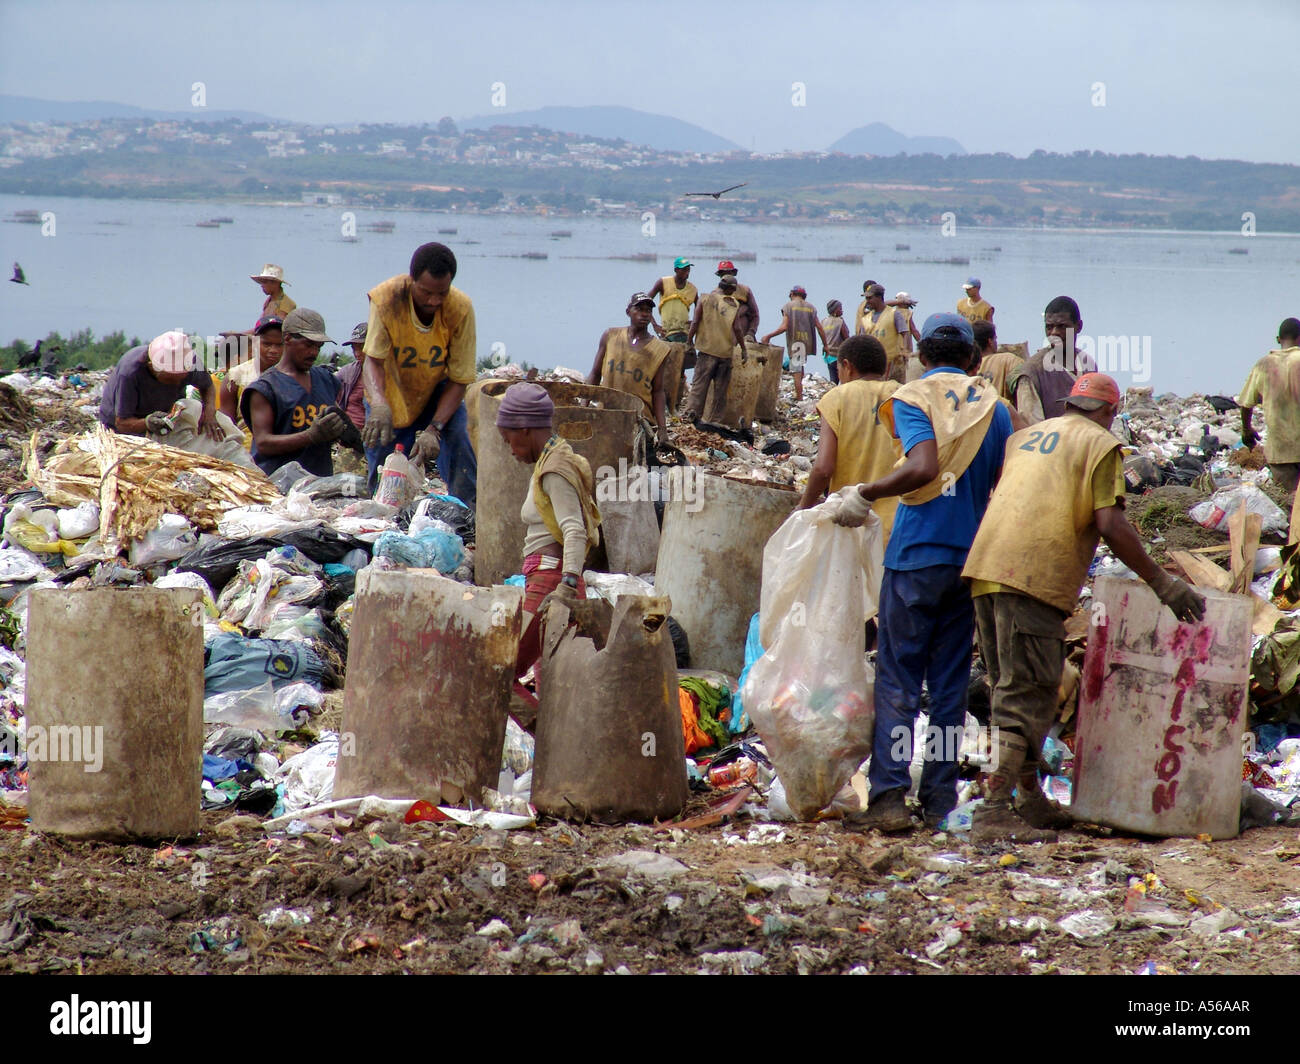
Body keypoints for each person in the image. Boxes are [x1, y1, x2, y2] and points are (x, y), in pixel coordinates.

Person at [963, 373, 1206, 842]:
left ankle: (1029, 799)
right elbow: (1110, 524)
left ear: (1072, 404)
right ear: (1110, 412)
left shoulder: (1025, 437)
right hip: (1031, 575)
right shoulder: (1101, 446)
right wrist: (1162, 583)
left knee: (1012, 687)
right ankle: (992, 810)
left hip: (986, 568)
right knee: (1027, 692)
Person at [830, 313, 1014, 833]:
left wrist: (865, 492)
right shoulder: (995, 409)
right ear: (974, 360)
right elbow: (1004, 483)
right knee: (950, 687)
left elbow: (924, 466)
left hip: (914, 557)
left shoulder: (914, 398)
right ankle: (937, 801)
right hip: (967, 562)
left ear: (923, 356)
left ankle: (888, 798)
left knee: (898, 682)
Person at [496, 383, 601, 714]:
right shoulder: (552, 459)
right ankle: (561, 754)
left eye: (507, 439)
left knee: (500, 676)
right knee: (556, 686)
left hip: (551, 583)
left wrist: (567, 584)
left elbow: (574, 529)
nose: (509, 449)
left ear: (524, 430)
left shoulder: (554, 469)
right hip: (551, 581)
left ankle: (549, 742)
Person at [359, 242, 478, 507]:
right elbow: (373, 361)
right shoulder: (387, 298)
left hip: (438, 390)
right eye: (426, 292)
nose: (434, 300)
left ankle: (465, 513)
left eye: (441, 293)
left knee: (459, 436)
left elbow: (460, 378)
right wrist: (378, 404)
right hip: (391, 389)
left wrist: (435, 428)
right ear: (412, 280)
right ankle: (379, 517)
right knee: (383, 461)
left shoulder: (460, 308)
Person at [799, 335, 902, 541]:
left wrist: (803, 508)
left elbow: (823, 469)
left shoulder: (838, 397)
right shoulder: (903, 394)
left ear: (847, 366)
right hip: (897, 525)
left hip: (850, 523)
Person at [241, 309, 345, 478]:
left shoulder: (326, 380)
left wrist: (343, 430)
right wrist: (310, 436)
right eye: (308, 345)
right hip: (277, 485)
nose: (314, 352)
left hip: (319, 481)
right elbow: (263, 443)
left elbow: (337, 417)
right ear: (287, 339)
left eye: (319, 347)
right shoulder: (265, 388)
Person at [98, 330, 221, 440]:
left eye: (180, 380)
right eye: (170, 380)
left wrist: (209, 411)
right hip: (119, 430)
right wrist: (147, 423)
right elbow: (122, 423)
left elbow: (207, 386)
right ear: (153, 367)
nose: (177, 385)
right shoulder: (131, 372)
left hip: (163, 420)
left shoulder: (188, 362)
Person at [588, 292, 673, 443]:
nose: (644, 314)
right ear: (628, 312)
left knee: (632, 463)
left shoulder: (659, 349)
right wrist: (583, 408)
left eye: (648, 310)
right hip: (607, 414)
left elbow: (658, 390)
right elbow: (595, 374)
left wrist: (662, 429)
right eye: (639, 309)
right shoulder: (611, 336)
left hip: (639, 419)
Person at [1011, 295, 1094, 425]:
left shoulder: (1088, 365)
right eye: (1049, 327)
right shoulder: (1032, 373)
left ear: (1078, 326)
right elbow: (1031, 428)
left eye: (1062, 326)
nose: (1054, 333)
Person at [1239, 318, 1300, 493]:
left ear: (1278, 339)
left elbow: (1246, 404)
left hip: (1280, 452)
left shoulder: (1263, 365)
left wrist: (1246, 429)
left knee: (1291, 505)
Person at [685, 273, 746, 424]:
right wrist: (744, 348)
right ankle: (715, 421)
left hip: (706, 351)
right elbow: (737, 329)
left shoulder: (704, 299)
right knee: (720, 391)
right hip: (724, 353)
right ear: (731, 289)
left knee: (699, 387)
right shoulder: (734, 304)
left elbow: (695, 322)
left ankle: (692, 416)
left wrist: (689, 340)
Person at [761, 285, 828, 403]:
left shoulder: (788, 306)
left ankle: (799, 398)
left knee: (796, 372)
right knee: (800, 368)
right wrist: (825, 345)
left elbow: (784, 327)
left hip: (796, 343)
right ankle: (799, 394)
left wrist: (769, 336)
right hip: (806, 343)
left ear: (792, 294)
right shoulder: (811, 307)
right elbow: (820, 328)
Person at [219, 316, 283, 428]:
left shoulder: (293, 376)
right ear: (255, 342)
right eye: (267, 344)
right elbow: (227, 426)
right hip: (244, 444)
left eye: (279, 345)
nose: (273, 350)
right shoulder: (235, 377)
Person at [859, 284, 909, 383]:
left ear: (879, 297)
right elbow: (862, 342)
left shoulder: (894, 314)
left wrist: (906, 351)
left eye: (870, 298)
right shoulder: (865, 319)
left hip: (892, 363)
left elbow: (905, 333)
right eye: (866, 298)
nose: (867, 301)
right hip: (872, 365)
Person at [649, 257, 697, 344]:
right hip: (666, 334)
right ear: (676, 270)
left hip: (684, 334)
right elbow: (645, 302)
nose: (687, 273)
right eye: (684, 270)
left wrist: (694, 322)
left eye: (688, 270)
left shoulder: (692, 289)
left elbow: (700, 311)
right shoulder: (663, 283)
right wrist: (654, 325)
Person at [972, 319, 1022, 402]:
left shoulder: (968, 366)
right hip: (1002, 412)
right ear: (990, 341)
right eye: (995, 339)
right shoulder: (1009, 360)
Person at [333, 322, 369, 432]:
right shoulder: (347, 373)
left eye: (361, 347)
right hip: (350, 434)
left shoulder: (390, 375)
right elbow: (328, 394)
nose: (357, 353)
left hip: (375, 434)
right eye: (354, 348)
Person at [715, 260, 759, 340]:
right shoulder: (715, 294)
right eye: (723, 273)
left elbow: (755, 314)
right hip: (724, 336)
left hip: (744, 334)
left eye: (729, 273)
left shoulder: (745, 290)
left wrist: (751, 333)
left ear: (734, 273)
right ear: (719, 275)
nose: (726, 276)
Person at [894, 292, 922, 381]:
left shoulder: (891, 313)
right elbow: (914, 330)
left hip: (894, 349)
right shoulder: (907, 313)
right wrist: (923, 344)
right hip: (905, 350)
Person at [821, 299, 849, 384]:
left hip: (828, 356)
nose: (842, 310)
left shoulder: (823, 321)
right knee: (844, 380)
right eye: (840, 308)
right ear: (835, 310)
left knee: (833, 380)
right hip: (837, 355)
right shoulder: (840, 321)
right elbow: (846, 338)